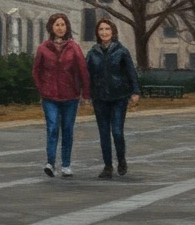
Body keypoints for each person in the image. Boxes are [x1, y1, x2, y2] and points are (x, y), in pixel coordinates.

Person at [31, 12, 90, 178]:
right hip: (50, 97)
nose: (60, 28)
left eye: (63, 25)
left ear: (67, 27)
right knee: (52, 128)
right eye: (57, 24)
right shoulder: (43, 48)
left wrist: (85, 93)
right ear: (51, 27)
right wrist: (42, 89)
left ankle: (66, 165)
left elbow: (83, 71)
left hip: (70, 97)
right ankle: (50, 162)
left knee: (67, 130)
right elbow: (36, 71)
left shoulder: (74, 48)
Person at [84, 18, 140, 178]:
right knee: (103, 133)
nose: (104, 32)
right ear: (97, 33)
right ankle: (107, 165)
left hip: (119, 97)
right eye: (101, 29)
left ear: (113, 32)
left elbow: (131, 72)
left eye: (107, 29)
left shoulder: (121, 51)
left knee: (116, 131)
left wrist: (135, 91)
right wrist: (86, 94)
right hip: (99, 97)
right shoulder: (92, 53)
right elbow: (87, 75)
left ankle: (121, 160)